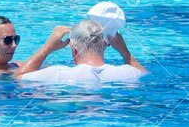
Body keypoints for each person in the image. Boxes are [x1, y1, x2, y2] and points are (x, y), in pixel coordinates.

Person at [16, 17, 146, 85]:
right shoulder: (128, 73)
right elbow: (145, 76)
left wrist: (47, 48)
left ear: (73, 47)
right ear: (106, 44)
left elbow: (18, 77)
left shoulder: (57, 74)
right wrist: (125, 52)